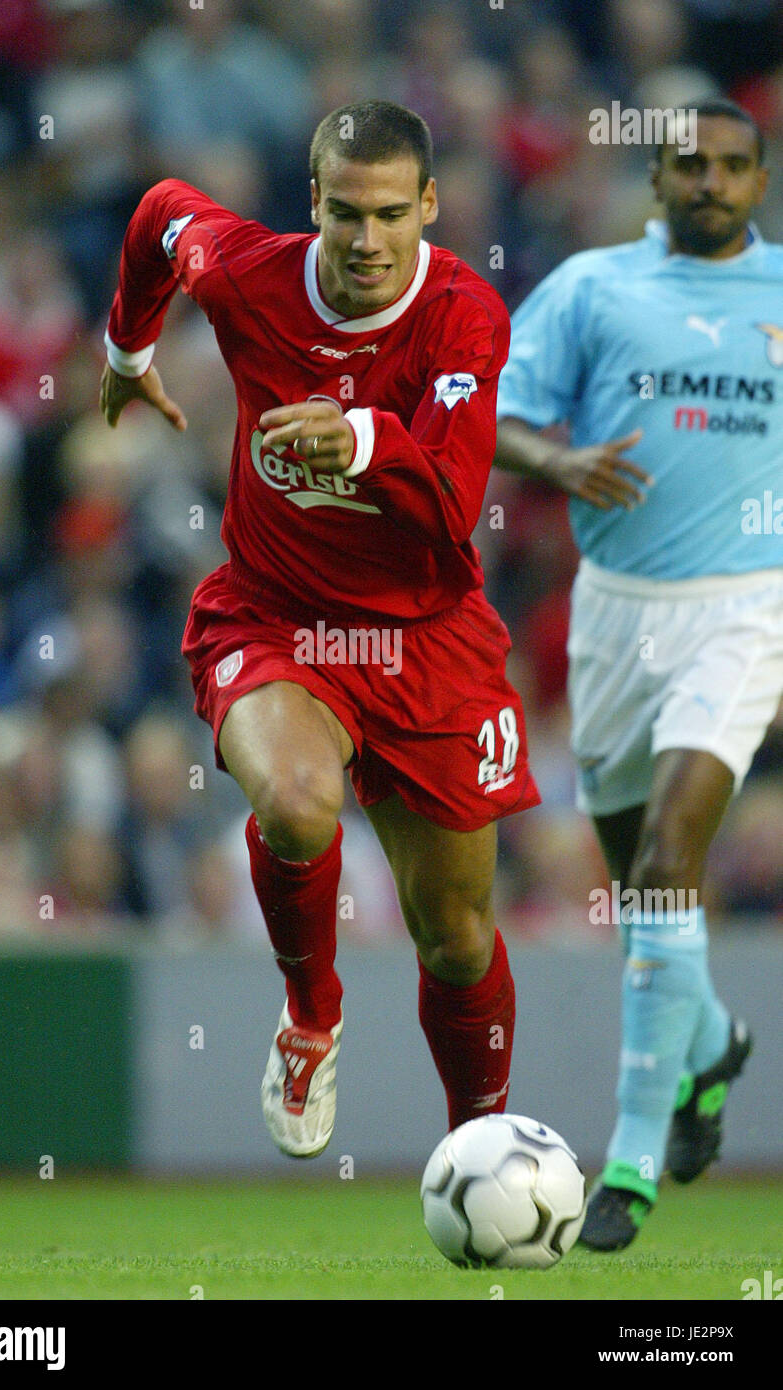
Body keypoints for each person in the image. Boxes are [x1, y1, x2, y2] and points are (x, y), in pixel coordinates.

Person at [100, 101, 540, 1158]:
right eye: (344, 212)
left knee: (455, 934)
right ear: (313, 204)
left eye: (391, 213)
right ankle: (310, 1013)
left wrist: (355, 435)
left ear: (428, 207)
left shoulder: (463, 315)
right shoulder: (249, 271)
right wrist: (126, 346)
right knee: (297, 805)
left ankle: (480, 1148)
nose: (366, 239)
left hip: (424, 640)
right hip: (277, 617)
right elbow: (163, 212)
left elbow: (451, 492)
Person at [494, 98, 783, 1248]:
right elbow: (495, 424)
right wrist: (557, 456)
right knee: (641, 901)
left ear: (756, 184)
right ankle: (708, 1043)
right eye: (686, 164)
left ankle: (627, 1164)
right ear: (655, 179)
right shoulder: (586, 288)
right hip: (614, 617)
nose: (707, 181)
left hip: (744, 609)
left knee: (670, 859)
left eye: (729, 165)